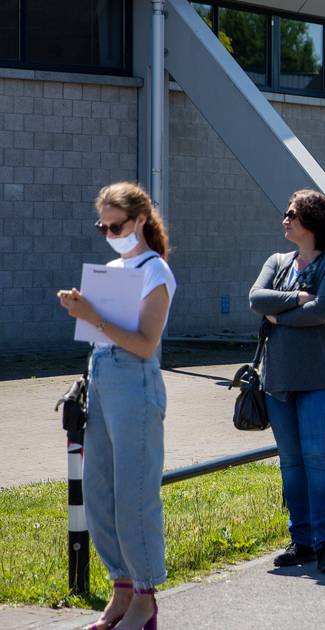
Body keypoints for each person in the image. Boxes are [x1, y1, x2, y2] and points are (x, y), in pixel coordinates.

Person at [56, 182, 175, 630]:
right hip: (103, 375)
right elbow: (103, 335)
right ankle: (121, 589)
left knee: (134, 496)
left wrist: (92, 315)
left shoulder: (155, 271)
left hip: (134, 382)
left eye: (117, 225)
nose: (109, 233)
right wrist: (83, 311)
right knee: (99, 492)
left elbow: (146, 344)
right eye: (102, 226)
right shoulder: (112, 267)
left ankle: (146, 598)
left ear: (140, 221)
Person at [249, 189, 325, 574]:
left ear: (312, 219)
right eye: (286, 212)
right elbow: (257, 298)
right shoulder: (278, 260)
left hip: (322, 379)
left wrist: (280, 317)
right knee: (291, 463)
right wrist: (296, 298)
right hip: (278, 380)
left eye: (292, 213)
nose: (286, 219)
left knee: (317, 458)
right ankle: (302, 540)